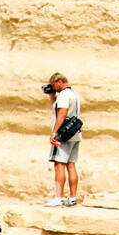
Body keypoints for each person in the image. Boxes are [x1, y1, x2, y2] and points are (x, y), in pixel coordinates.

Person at [45, 73, 82, 207]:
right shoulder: (74, 94)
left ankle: (59, 197)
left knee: (59, 164)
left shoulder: (64, 95)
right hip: (75, 133)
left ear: (59, 81)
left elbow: (62, 113)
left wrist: (54, 132)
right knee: (71, 165)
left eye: (54, 85)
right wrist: (52, 97)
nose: (53, 88)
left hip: (63, 135)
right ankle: (72, 197)